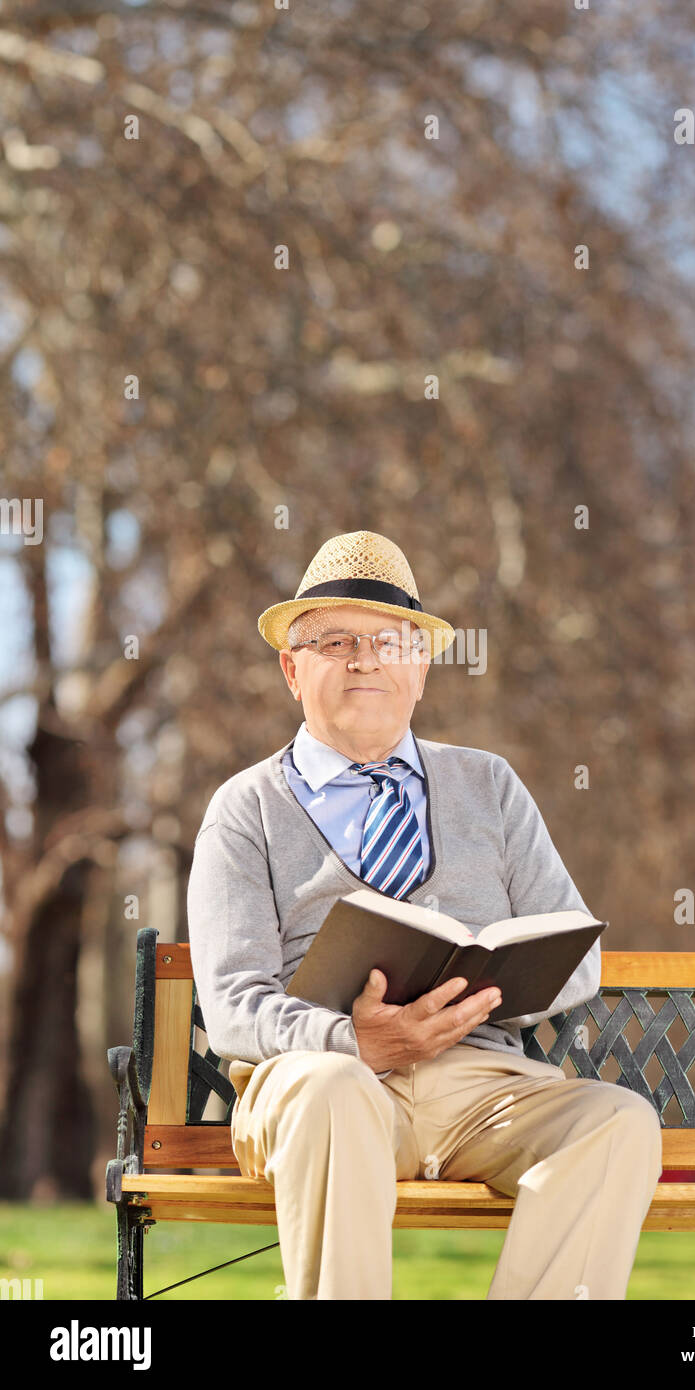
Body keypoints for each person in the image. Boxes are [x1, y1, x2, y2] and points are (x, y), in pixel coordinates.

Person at [187, 529, 662, 1299]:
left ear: (420, 667)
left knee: (618, 1122)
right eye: (334, 640)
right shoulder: (245, 809)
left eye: (387, 641)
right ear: (292, 669)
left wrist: (493, 983)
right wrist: (355, 1040)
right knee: (335, 1090)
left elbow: (579, 957)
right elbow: (234, 1004)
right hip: (320, 1090)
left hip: (480, 1085)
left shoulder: (491, 785)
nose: (364, 659)